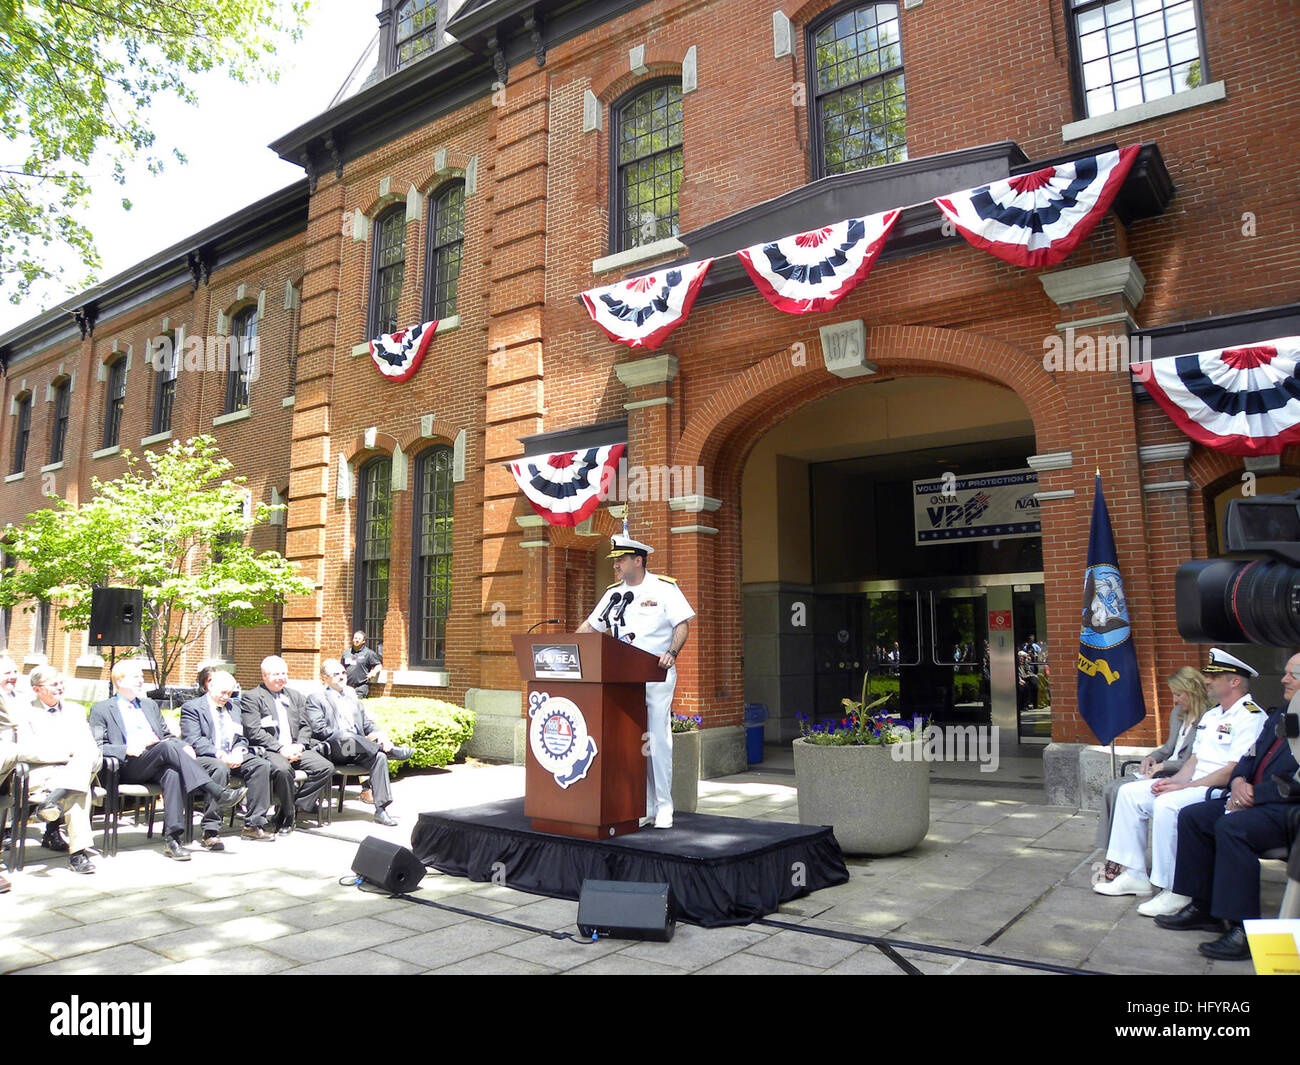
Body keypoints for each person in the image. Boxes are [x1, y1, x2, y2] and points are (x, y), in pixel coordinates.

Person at [1094, 648, 1266, 913]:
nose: (1207, 680)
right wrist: (1172, 781)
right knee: (1131, 793)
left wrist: (1181, 788)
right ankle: (1135, 875)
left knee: (1167, 804)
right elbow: (1194, 762)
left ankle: (1174, 889)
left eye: (1215, 676)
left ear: (1235, 682)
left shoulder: (1250, 716)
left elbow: (1233, 769)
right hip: (1193, 784)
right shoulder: (1212, 716)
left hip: (1216, 790)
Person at [1154, 650, 1300, 960]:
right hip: (1253, 797)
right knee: (1194, 817)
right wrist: (1237, 782)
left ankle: (1241, 929)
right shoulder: (1281, 713)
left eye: (1293, 675)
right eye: (1286, 672)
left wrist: (1253, 795)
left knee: (1233, 827)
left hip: (1286, 808)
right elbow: (1249, 756)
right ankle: (1204, 906)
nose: (1284, 679)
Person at [576, 533, 694, 829]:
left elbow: (681, 624)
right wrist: (567, 648)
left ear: (637, 560)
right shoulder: (614, 594)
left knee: (656, 738)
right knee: (630, 741)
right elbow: (592, 626)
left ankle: (664, 805)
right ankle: (643, 804)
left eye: (621, 559)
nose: (615, 564)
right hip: (622, 679)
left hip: (655, 674)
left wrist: (672, 652)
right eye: (615, 560)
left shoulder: (664, 588)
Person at [89, 661, 246, 861]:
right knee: (168, 747)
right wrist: (127, 748)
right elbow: (97, 746)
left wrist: (182, 746)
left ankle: (173, 839)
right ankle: (217, 791)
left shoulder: (149, 705)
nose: (141, 680)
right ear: (119, 681)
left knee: (171, 772)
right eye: (136, 676)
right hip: (128, 765)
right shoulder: (102, 709)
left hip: (157, 759)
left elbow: (165, 735)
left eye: (141, 676)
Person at [1095, 666, 1211, 862]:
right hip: (1161, 769)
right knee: (1110, 788)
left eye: (1178, 695)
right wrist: (1152, 758)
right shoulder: (1178, 714)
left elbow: (1189, 760)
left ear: (1192, 691)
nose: (1175, 701)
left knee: (1122, 791)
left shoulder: (1209, 718)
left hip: (1178, 774)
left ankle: (1121, 857)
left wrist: (1162, 767)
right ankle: (1111, 851)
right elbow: (1167, 748)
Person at [305, 659, 413, 826]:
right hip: (333, 750)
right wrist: (345, 736)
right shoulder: (316, 698)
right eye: (336, 674)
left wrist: (380, 734)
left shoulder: (352, 699)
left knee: (379, 758)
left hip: (356, 750)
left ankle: (381, 810)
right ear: (324, 678)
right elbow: (319, 729)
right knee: (345, 736)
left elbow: (367, 724)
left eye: (343, 673)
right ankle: (388, 751)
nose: (342, 676)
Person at [20, 667, 103, 874]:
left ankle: (53, 801)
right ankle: (78, 855)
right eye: (54, 683)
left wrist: (77, 757)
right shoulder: (24, 712)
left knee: (89, 757)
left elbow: (89, 744)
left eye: (61, 682)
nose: (60, 687)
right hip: (42, 771)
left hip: (75, 768)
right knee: (78, 791)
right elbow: (24, 751)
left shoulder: (75, 711)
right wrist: (64, 755)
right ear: (38, 690)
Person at [180, 670, 277, 844]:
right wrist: (220, 754)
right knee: (219, 767)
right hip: (206, 757)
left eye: (230, 693)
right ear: (210, 686)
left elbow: (241, 737)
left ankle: (254, 825)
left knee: (261, 765)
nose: (226, 697)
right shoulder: (193, 708)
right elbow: (193, 739)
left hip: (232, 754)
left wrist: (239, 751)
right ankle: (211, 830)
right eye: (223, 693)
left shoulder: (233, 708)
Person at [240, 655, 334, 832]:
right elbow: (253, 731)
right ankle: (289, 815)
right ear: (264, 675)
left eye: (284, 673)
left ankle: (289, 807)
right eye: (276, 674)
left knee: (326, 768)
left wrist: (300, 745)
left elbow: (306, 725)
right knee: (283, 770)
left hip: (296, 747)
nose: (281, 677)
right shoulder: (252, 697)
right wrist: (281, 748)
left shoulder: (295, 696)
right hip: (271, 750)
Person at [341, 631, 383, 699]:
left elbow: (378, 665)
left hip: (361, 687)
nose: (357, 640)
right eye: (355, 638)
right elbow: (342, 668)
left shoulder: (368, 653)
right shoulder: (346, 653)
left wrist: (373, 672)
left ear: (363, 641)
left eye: (359, 639)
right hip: (347, 686)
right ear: (353, 639)